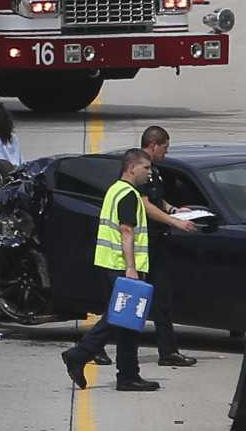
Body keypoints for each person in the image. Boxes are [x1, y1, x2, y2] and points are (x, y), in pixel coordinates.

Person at [61, 150, 162, 393]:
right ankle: (80, 354)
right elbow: (126, 231)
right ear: (131, 169)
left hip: (110, 263)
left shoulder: (115, 189)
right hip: (121, 266)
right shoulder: (128, 194)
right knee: (120, 317)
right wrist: (131, 268)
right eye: (146, 168)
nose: (150, 173)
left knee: (126, 323)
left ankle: (128, 376)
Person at [137, 126, 199, 368]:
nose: (166, 153)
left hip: (156, 242)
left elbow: (156, 199)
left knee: (162, 297)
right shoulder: (138, 167)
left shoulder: (154, 171)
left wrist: (173, 209)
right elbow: (144, 205)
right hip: (143, 244)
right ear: (153, 145)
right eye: (165, 148)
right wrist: (175, 222)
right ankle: (92, 346)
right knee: (131, 299)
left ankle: (168, 351)